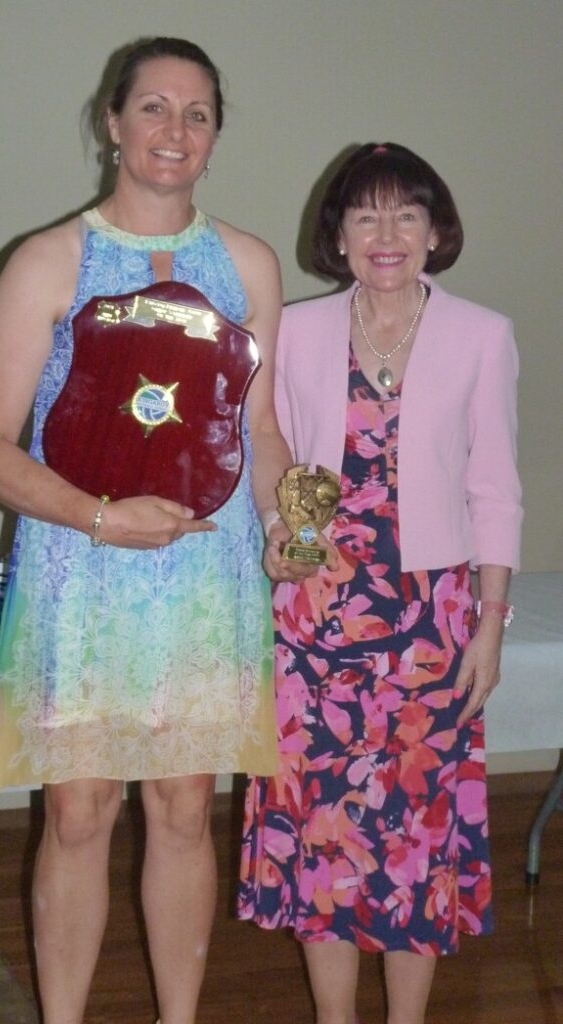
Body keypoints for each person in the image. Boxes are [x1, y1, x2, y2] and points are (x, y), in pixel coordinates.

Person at [0, 36, 295, 1024]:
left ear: (215, 135)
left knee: (187, 808)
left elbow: (263, 429)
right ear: (111, 122)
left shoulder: (246, 263)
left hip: (203, 572)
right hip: (80, 569)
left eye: (195, 113)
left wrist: (281, 517)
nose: (173, 130)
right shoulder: (48, 261)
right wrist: (99, 518)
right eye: (153, 107)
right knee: (77, 810)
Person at [238, 142, 522, 1024]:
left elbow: (496, 486)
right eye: (366, 215)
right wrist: (283, 535)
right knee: (320, 831)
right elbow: (266, 448)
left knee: (413, 835)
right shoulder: (302, 330)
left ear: (436, 232)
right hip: (317, 614)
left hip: (430, 620)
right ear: (340, 235)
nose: (386, 232)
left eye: (407, 213)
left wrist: (490, 622)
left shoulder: (483, 334)